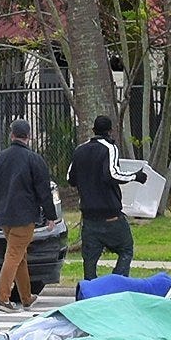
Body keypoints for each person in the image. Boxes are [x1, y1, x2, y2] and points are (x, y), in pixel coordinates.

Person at [0, 118, 58, 307]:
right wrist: (51, 216)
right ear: (29, 136)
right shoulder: (34, 159)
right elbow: (43, 191)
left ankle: (26, 296)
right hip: (25, 217)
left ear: (12, 135)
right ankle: (3, 298)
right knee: (14, 256)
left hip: (5, 216)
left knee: (19, 256)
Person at [68, 113, 136, 289]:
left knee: (90, 260)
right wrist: (136, 176)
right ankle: (116, 284)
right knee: (126, 248)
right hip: (110, 214)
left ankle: (90, 291)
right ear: (110, 131)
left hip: (89, 216)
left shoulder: (79, 150)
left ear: (93, 130)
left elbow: (70, 177)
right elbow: (113, 174)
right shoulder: (110, 148)